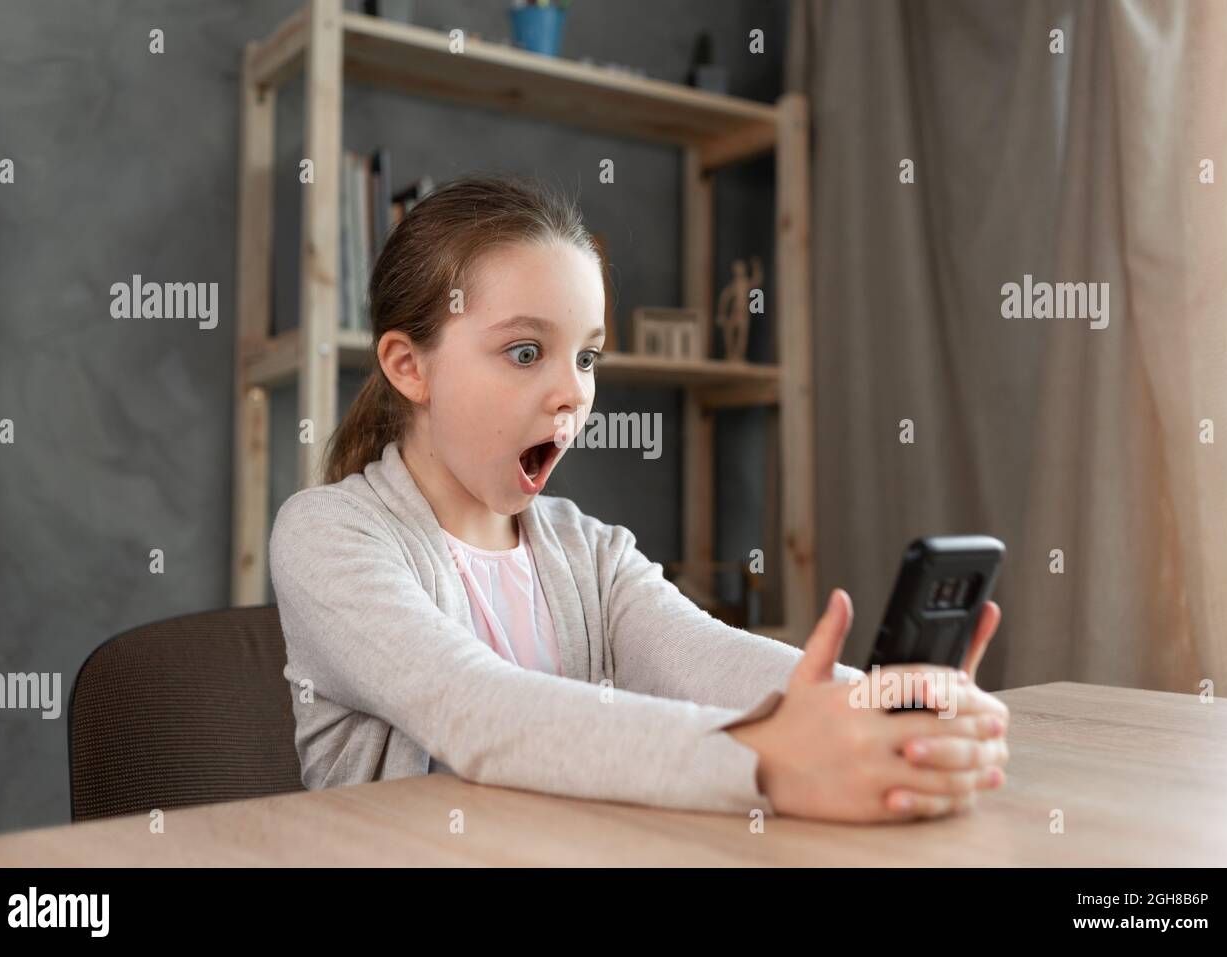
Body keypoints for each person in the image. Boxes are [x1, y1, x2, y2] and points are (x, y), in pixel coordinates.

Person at [268, 174, 1009, 823]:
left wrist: (882, 706)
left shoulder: (590, 549)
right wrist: (765, 759)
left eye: (586, 356)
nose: (572, 393)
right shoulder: (326, 534)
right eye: (525, 352)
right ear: (409, 366)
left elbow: (706, 658)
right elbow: (477, 708)